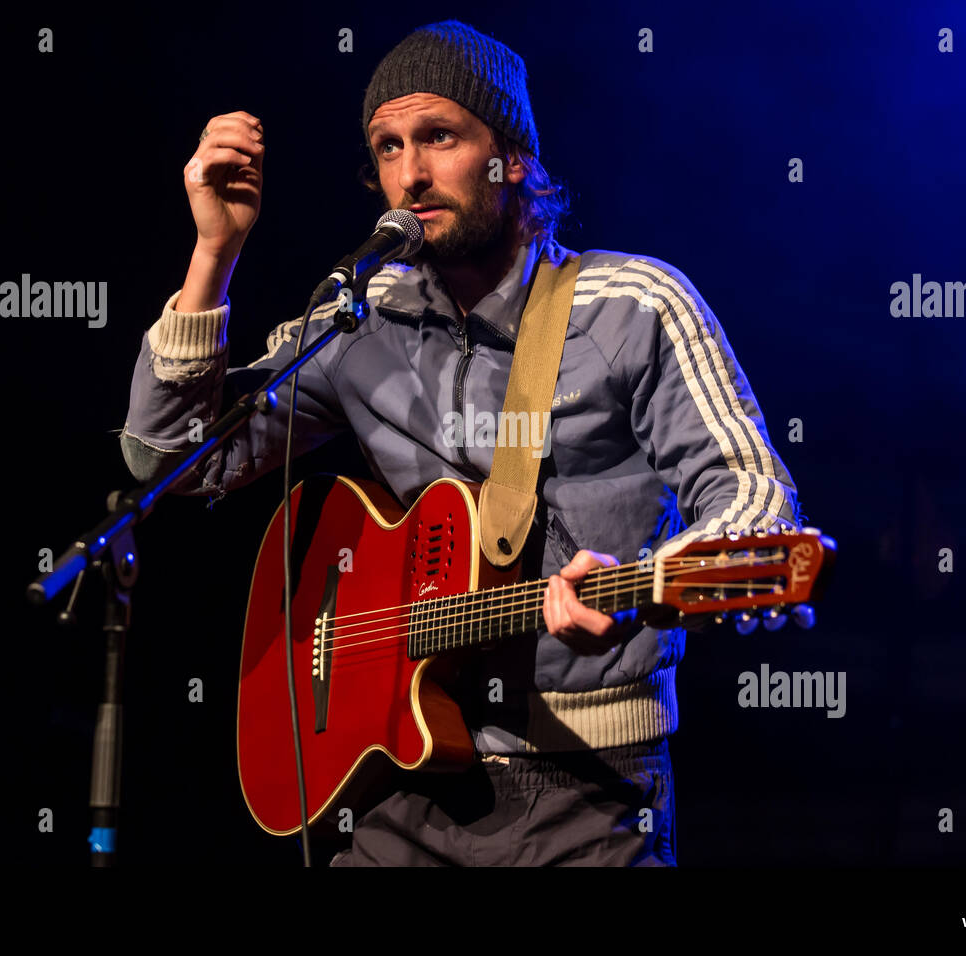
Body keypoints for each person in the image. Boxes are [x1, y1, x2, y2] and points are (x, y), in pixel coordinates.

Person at [120, 20, 800, 866]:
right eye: (389, 147)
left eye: (438, 136)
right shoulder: (360, 321)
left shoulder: (635, 307)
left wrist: (646, 588)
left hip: (588, 792)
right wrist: (213, 254)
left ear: (512, 157)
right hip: (392, 780)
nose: (410, 174)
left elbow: (753, 501)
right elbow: (173, 456)